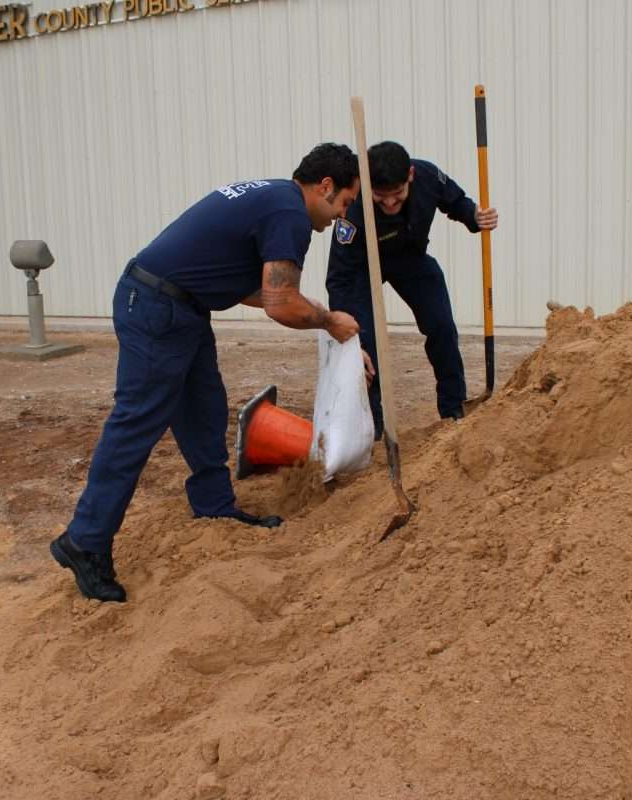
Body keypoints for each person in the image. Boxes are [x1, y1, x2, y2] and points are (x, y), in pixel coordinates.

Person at [51, 143, 363, 603]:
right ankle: (86, 540)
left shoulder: (275, 198)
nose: (341, 215)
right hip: (158, 308)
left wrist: (323, 317)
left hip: (178, 307)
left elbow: (256, 288)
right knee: (136, 424)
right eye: (345, 204)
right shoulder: (291, 215)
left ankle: (214, 506)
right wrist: (330, 321)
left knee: (203, 409)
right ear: (326, 186)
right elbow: (280, 302)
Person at [326, 141, 498, 435]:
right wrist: (345, 323)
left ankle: (454, 410)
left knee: (442, 326)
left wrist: (474, 216)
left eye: (398, 196)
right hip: (360, 271)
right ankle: (373, 429)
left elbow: (456, 201)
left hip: (411, 259)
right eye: (381, 199)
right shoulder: (353, 209)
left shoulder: (428, 176)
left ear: (410, 176)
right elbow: (340, 277)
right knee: (363, 347)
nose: (391, 204)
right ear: (368, 188)